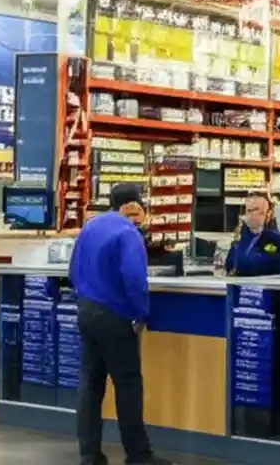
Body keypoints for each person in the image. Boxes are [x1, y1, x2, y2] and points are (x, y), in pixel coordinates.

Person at [69, 183, 170, 465]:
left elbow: (73, 270)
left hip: (86, 311)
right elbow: (135, 280)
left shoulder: (90, 227)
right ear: (134, 205)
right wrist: (141, 313)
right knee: (127, 385)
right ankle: (139, 455)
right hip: (113, 316)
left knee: (90, 385)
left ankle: (89, 456)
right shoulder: (128, 233)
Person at [225, 193, 280, 276]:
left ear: (269, 214)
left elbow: (250, 265)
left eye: (256, 211)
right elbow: (229, 265)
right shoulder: (240, 239)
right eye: (249, 211)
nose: (252, 215)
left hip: (268, 287)